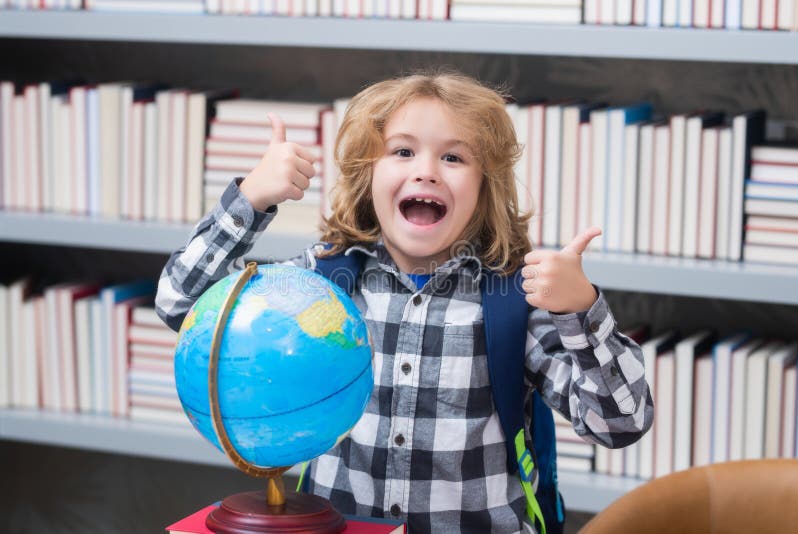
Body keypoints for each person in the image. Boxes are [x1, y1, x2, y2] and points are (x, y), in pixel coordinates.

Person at [155, 71, 653, 533]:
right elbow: (181, 303)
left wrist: (580, 309)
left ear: (483, 191)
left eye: (454, 158)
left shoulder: (512, 300)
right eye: (402, 152)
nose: (427, 172)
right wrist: (251, 200)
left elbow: (620, 423)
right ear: (366, 176)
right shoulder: (320, 280)